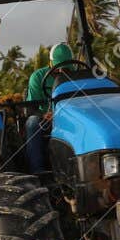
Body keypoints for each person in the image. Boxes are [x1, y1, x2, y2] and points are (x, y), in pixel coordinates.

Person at [24, 43, 75, 173]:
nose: (63, 71)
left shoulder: (77, 75)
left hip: (72, 113)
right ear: (51, 63)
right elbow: (31, 108)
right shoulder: (38, 77)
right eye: (59, 67)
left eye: (67, 67)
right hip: (46, 117)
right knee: (32, 122)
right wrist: (43, 115)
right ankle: (38, 171)